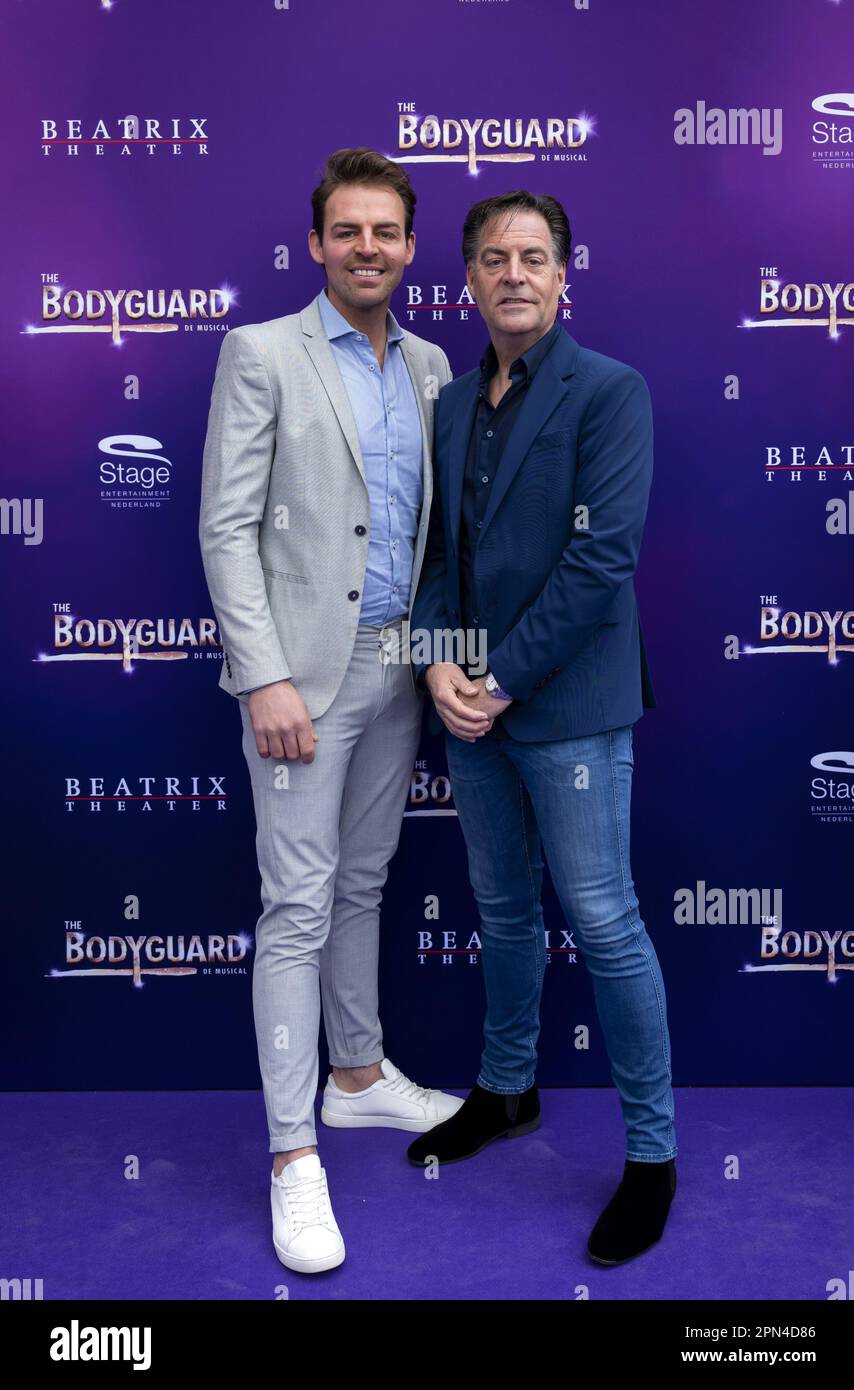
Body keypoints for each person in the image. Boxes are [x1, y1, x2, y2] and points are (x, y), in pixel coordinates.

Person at [199, 148, 461, 1275]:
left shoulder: (435, 364)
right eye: (346, 231)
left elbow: (444, 537)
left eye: (386, 233)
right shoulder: (260, 352)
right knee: (297, 904)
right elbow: (226, 524)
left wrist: (446, 660)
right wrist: (262, 677)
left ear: (409, 247)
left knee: (363, 881)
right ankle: (292, 1154)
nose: (367, 249)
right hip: (301, 676)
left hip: (402, 669)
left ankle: (356, 1078)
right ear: (315, 244)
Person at [407, 189, 677, 1265]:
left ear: (565, 275)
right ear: (466, 279)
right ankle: (505, 1091)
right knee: (501, 910)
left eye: (532, 256)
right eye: (490, 258)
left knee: (604, 922)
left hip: (561, 706)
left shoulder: (611, 392)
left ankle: (651, 1156)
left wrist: (496, 678)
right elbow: (437, 557)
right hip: (467, 704)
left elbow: (598, 561)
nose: (511, 273)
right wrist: (433, 658)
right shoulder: (448, 403)